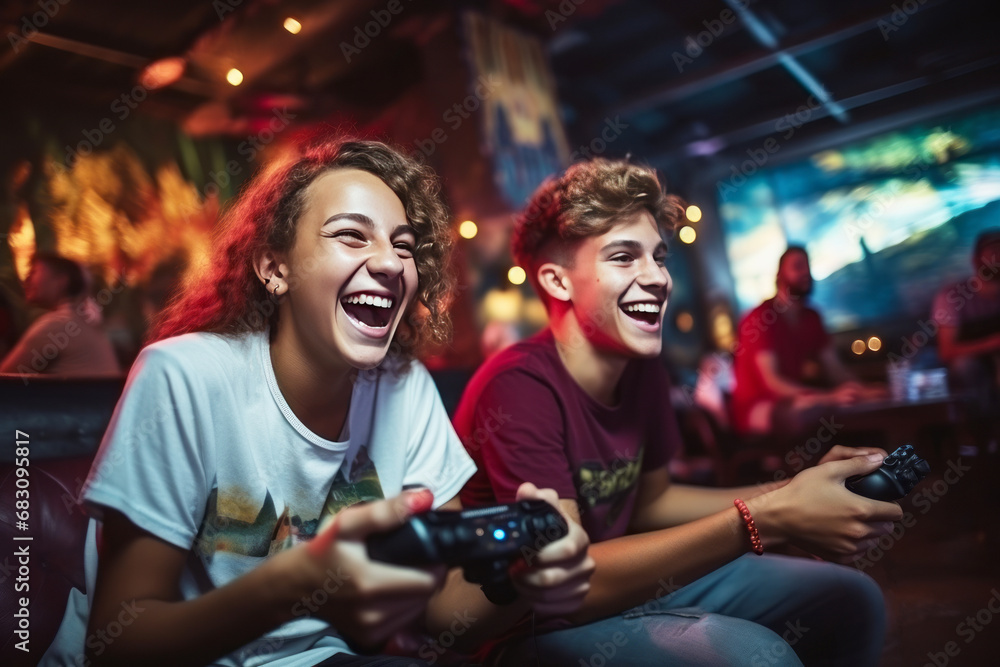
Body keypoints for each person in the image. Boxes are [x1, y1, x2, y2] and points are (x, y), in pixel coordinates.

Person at [41, 138, 593, 667]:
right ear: (274, 268)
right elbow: (118, 644)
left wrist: (524, 581)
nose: (391, 263)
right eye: (352, 236)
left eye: (403, 245)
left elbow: (445, 607)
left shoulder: (405, 386)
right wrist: (297, 584)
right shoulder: (185, 375)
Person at [454, 158, 903, 666]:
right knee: (756, 657)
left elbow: (654, 501)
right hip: (532, 626)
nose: (658, 278)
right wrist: (766, 519)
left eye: (659, 257)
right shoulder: (518, 387)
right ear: (558, 282)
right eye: (624, 257)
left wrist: (796, 493)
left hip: (628, 584)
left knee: (853, 597)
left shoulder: (639, 365)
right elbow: (567, 580)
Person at [730, 245, 881, 436]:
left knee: (831, 408)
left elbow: (835, 369)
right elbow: (773, 383)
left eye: (808, 266)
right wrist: (828, 397)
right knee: (808, 411)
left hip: (794, 399)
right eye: (798, 266)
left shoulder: (812, 317)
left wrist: (865, 391)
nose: (806, 273)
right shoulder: (761, 317)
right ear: (779, 275)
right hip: (755, 407)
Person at [0, 252, 120, 376]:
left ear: (61, 281)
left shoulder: (57, 324)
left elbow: (4, 377)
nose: (27, 278)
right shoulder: (84, 321)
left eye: (34, 271)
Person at [933, 229, 1000, 447]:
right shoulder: (954, 297)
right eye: (993, 252)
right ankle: (979, 438)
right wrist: (993, 344)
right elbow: (947, 351)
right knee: (965, 366)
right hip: (971, 369)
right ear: (975, 259)